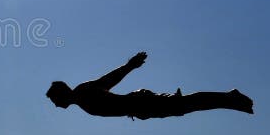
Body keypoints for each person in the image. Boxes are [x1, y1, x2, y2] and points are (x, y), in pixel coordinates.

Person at [45, 52, 254, 120]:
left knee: (184, 104)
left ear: (62, 93)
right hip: (140, 107)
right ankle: (229, 99)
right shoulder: (81, 98)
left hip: (141, 102)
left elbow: (108, 80)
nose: (55, 105)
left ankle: (230, 97)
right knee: (184, 106)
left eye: (55, 100)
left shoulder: (83, 92)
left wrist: (130, 66)